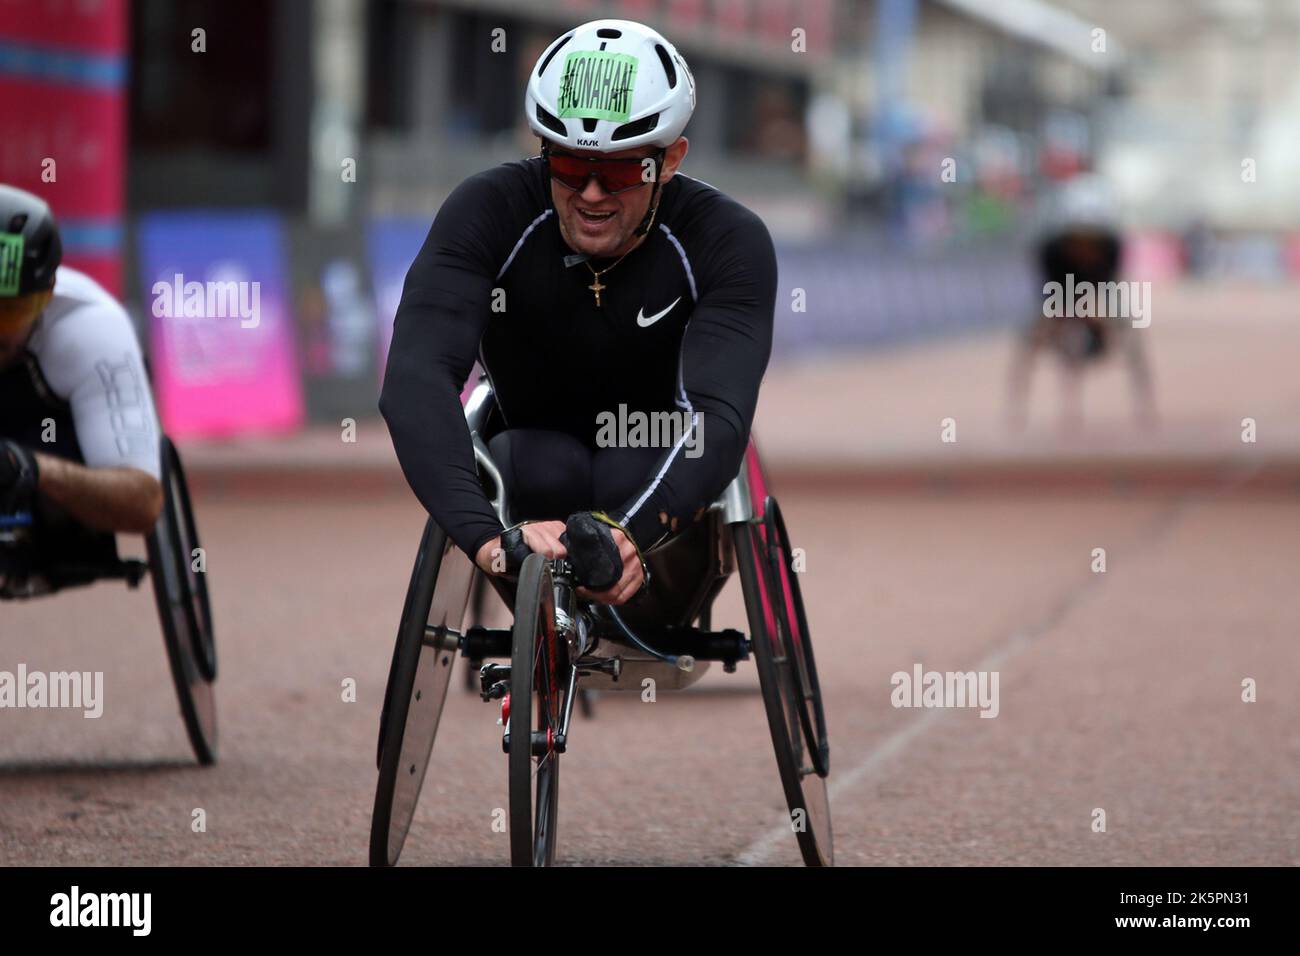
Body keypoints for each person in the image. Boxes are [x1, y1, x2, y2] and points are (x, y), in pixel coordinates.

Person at [380, 19, 776, 605]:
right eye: (566, 166)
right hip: (531, 462)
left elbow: (719, 416)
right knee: (540, 460)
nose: (591, 193)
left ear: (669, 161)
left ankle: (640, 605)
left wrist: (628, 536)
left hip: (656, 461)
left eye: (618, 171)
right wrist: (489, 541)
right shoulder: (486, 210)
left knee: (627, 463)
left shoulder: (726, 238)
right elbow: (415, 379)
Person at [0, 184, 162, 596]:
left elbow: (142, 504)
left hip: (52, 454)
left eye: (9, 312)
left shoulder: (90, 331)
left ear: (47, 293)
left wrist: (33, 469)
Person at [1007, 174, 1156, 431]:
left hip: (1097, 294)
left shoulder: (1112, 245)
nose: (1085, 246)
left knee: (1130, 334)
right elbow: (1049, 289)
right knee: (1031, 338)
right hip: (1058, 296)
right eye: (1078, 238)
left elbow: (1108, 283)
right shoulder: (1050, 249)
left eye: (1091, 239)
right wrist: (1063, 314)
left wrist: (1097, 313)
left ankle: (1145, 407)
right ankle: (1018, 409)